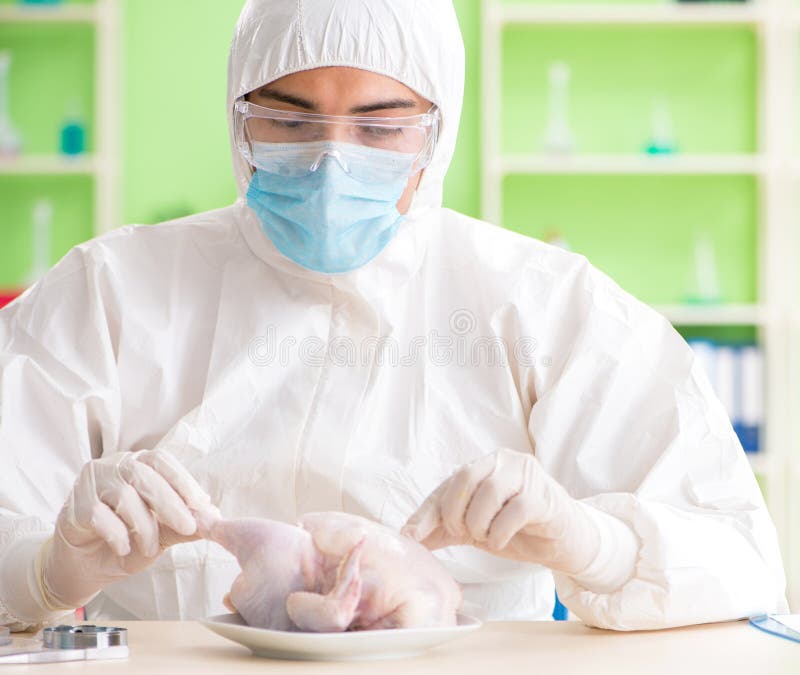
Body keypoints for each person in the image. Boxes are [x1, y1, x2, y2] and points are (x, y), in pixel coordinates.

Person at [0, 0, 787, 632]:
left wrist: (590, 542)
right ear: (238, 118)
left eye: (380, 127)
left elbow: (742, 557)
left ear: (435, 136)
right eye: (292, 121)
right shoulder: (110, 291)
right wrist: (48, 570)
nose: (332, 161)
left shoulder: (545, 306)